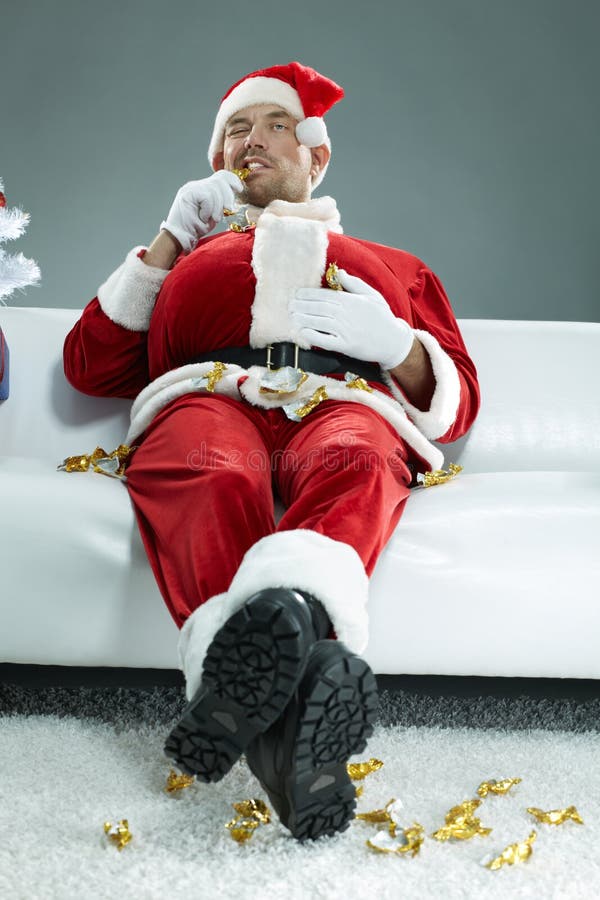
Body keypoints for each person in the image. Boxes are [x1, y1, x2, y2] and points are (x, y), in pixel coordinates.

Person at [63, 62, 480, 841]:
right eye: (233, 130)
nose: (249, 140)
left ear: (316, 157)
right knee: (208, 464)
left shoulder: (394, 265)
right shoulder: (184, 255)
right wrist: (170, 235)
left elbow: (458, 401)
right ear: (215, 163)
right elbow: (91, 365)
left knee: (359, 458)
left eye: (273, 125)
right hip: (208, 398)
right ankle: (291, 706)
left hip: (345, 403)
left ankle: (245, 686)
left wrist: (395, 344)